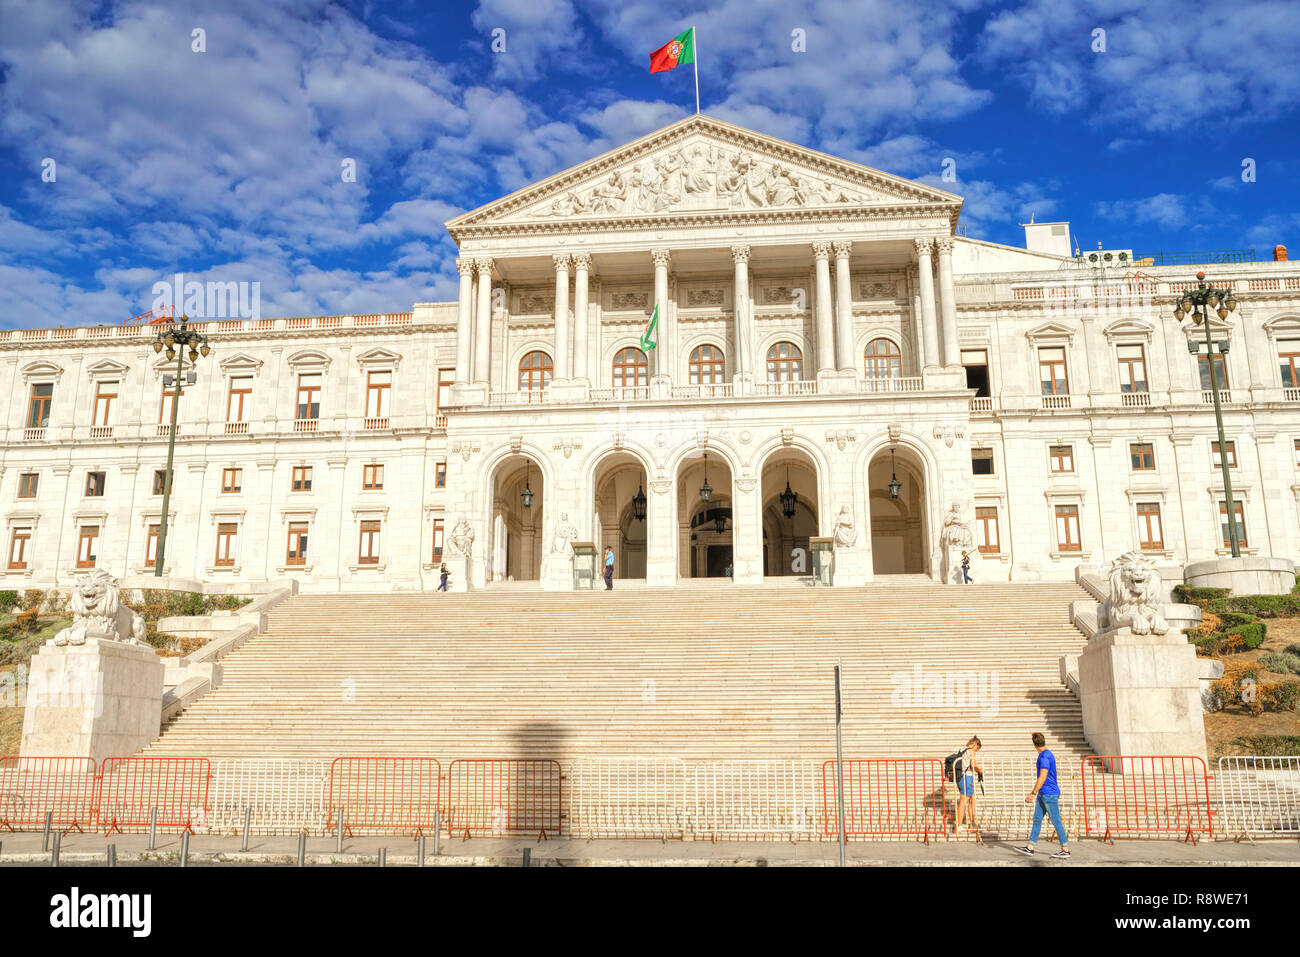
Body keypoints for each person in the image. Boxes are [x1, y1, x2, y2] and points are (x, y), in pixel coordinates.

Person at [1014, 732, 1071, 859]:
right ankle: (1030, 847)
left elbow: (1043, 775)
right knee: (1037, 820)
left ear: (1034, 744)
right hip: (1044, 793)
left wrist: (1033, 793)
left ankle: (1065, 849)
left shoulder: (1044, 756)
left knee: (1056, 821)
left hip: (1048, 793)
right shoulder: (1048, 754)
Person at [951, 736, 982, 834]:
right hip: (967, 777)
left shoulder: (962, 749)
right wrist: (979, 770)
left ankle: (972, 824)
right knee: (964, 802)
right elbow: (973, 765)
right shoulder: (970, 751)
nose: (976, 751)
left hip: (961, 777)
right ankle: (959, 826)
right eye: (977, 748)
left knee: (971, 800)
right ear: (974, 744)